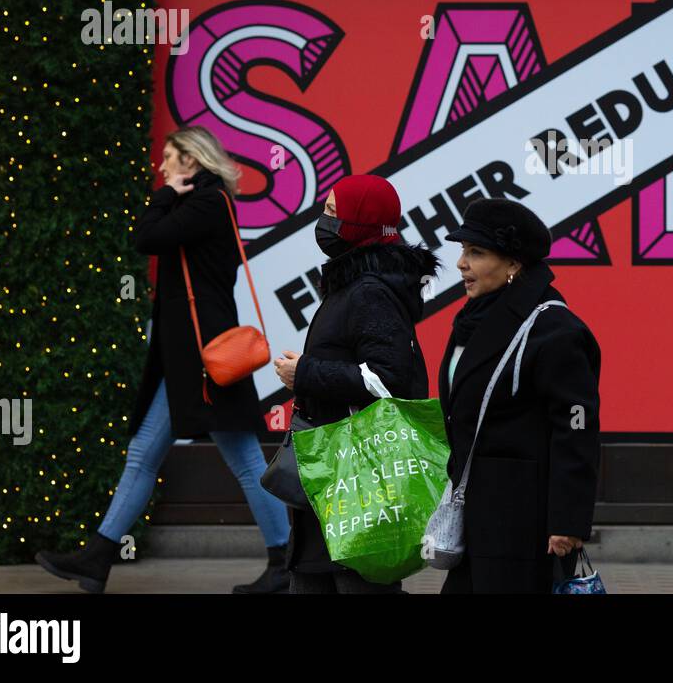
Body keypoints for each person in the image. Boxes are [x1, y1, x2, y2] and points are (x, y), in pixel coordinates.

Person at [35, 126, 291, 593]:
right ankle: (97, 559)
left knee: (246, 460)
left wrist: (162, 197)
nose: (162, 166)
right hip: (186, 359)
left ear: (191, 162)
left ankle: (285, 564)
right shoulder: (203, 203)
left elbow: (147, 238)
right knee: (142, 456)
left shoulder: (207, 204)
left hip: (204, 359)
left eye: (170, 158)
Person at [272, 174, 438, 594]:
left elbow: (389, 380)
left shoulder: (368, 291)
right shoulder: (353, 283)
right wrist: (309, 370)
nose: (322, 221)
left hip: (356, 482)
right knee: (311, 579)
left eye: (332, 212)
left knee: (358, 584)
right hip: (331, 474)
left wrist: (306, 373)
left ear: (360, 225)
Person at [436, 197, 601, 593]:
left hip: (524, 527)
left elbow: (575, 429)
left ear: (513, 265)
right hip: (476, 517)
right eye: (462, 250)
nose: (461, 263)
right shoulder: (473, 320)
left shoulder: (555, 329)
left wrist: (568, 521)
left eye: (476, 252)